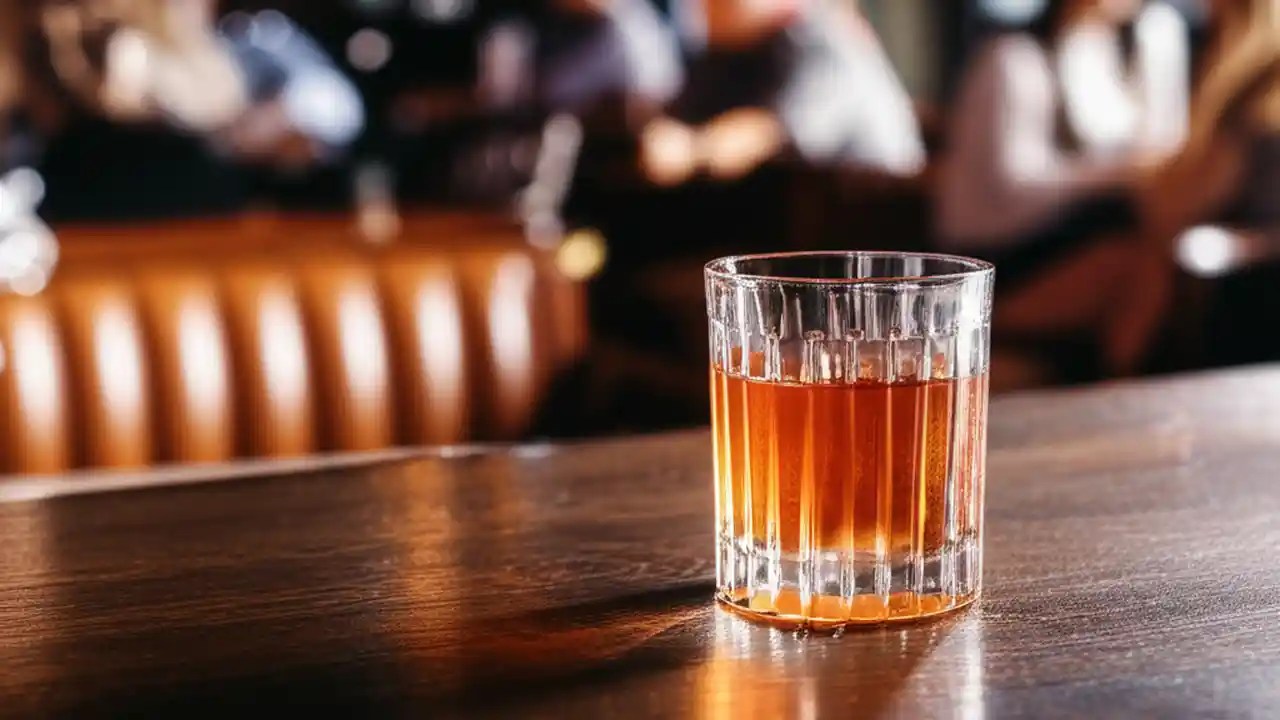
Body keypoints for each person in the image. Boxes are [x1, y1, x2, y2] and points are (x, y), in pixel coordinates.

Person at [937, 0, 1192, 376]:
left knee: (1162, 256)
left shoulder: (1122, 52)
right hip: (1000, 262)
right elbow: (1011, 190)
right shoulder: (1013, 59)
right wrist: (1120, 172)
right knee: (1138, 269)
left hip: (1072, 243)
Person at [3, 0, 364, 220]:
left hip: (204, 264)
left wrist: (253, 126)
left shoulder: (245, 48)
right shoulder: (35, 81)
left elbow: (337, 111)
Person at [640, 0, 925, 187]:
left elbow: (766, 133)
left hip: (880, 228)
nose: (701, 9)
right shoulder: (738, 51)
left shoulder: (818, 36)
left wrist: (691, 148)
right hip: (808, 221)